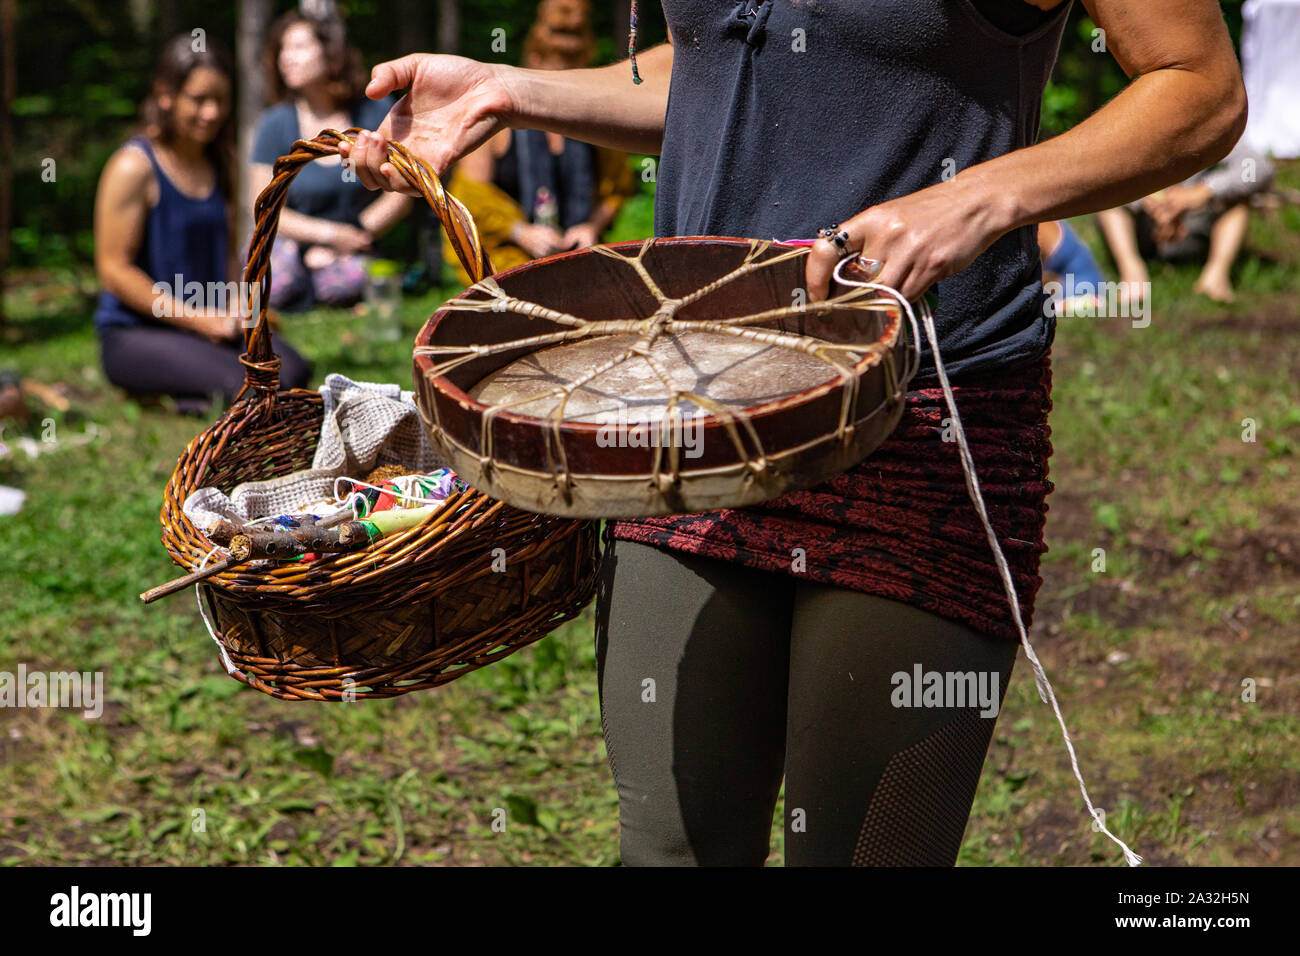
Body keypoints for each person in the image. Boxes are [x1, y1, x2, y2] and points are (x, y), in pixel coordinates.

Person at [342, 0, 1246, 866]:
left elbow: (1198, 86)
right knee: (668, 854)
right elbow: (716, 70)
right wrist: (512, 90)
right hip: (684, 418)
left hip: (920, 416)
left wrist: (979, 197)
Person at [94, 34, 312, 415]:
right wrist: (200, 320)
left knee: (293, 370)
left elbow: (229, 253)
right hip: (136, 334)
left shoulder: (221, 163)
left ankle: (183, 395)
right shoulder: (133, 167)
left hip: (208, 325)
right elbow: (113, 270)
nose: (211, 112)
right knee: (248, 389)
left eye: (220, 101)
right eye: (198, 100)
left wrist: (235, 306)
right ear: (166, 95)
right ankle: (181, 398)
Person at [441, 0, 631, 288]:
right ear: (535, 61)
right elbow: (468, 198)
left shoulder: (595, 122)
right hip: (508, 263)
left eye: (573, 73)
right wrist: (521, 232)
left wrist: (590, 226)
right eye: (556, 73)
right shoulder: (499, 123)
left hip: (579, 261)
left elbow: (615, 191)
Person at [249, 9, 412, 311]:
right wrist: (326, 236)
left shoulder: (372, 113)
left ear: (330, 52)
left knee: (349, 279)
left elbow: (401, 193)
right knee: (276, 280)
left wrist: (353, 236)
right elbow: (262, 206)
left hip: (356, 241)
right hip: (294, 244)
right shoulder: (275, 123)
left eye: (298, 47)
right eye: (283, 49)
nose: (287, 57)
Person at [1096, 143, 1275, 304]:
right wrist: (1147, 199)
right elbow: (1105, 170)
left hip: (1196, 226)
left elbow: (1259, 167)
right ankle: (1132, 275)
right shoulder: (1137, 130)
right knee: (1109, 199)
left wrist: (1203, 192)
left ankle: (1216, 276)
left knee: (1238, 201)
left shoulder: (1213, 131)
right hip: (1143, 226)